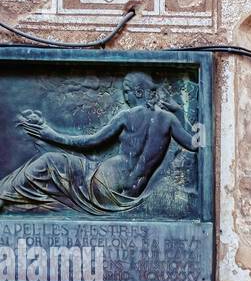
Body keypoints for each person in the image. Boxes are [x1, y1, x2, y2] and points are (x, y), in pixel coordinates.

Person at [0, 72, 199, 215]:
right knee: (53, 188)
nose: (125, 96)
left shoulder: (127, 116)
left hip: (101, 182)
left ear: (139, 92)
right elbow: (193, 144)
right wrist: (179, 111)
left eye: (127, 91)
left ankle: (4, 195)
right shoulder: (169, 120)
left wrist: (50, 134)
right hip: (125, 196)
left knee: (49, 161)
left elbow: (91, 141)